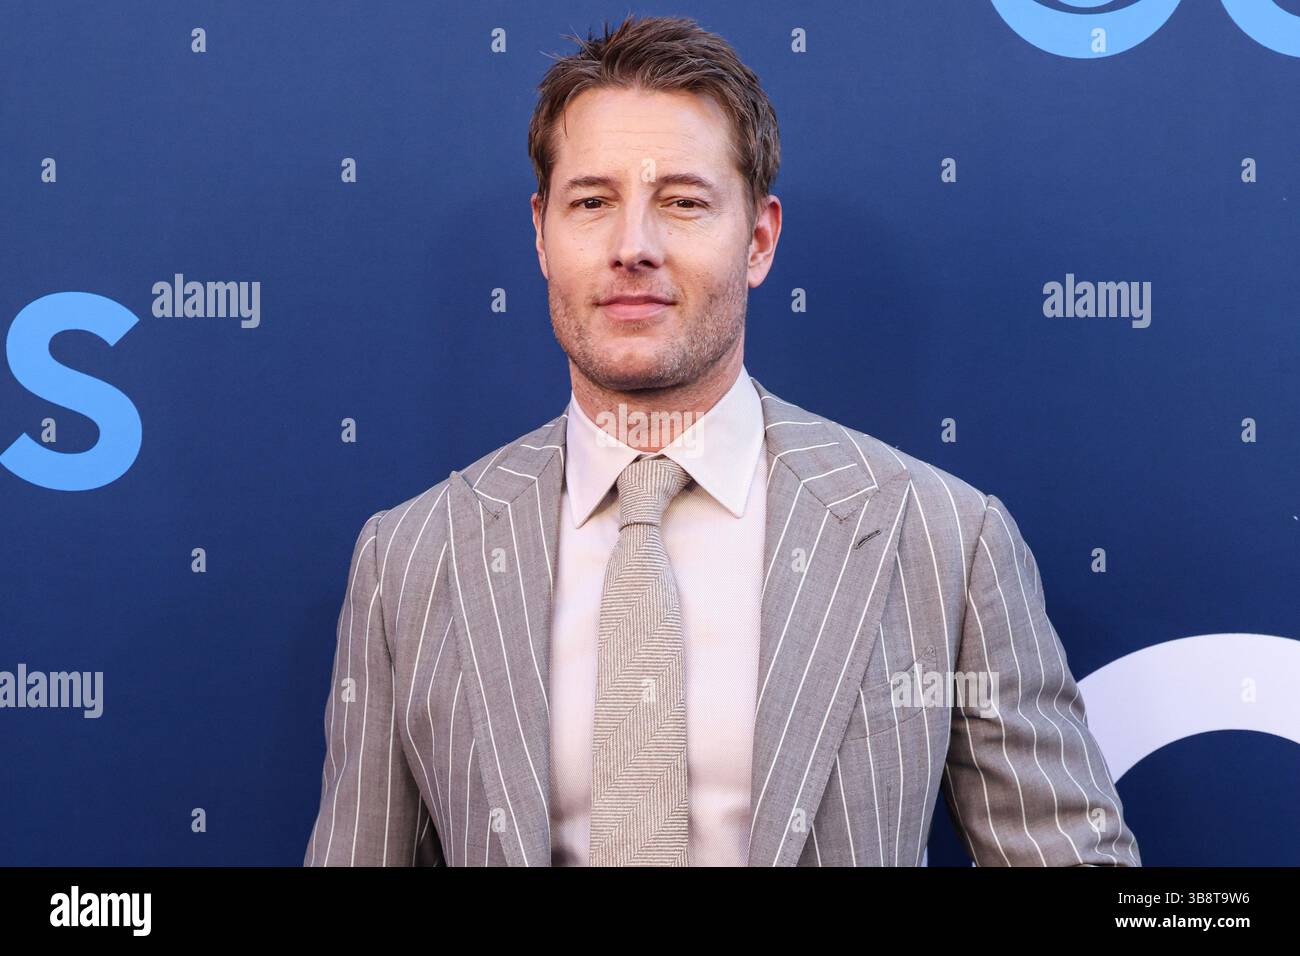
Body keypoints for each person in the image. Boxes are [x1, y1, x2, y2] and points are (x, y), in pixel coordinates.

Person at [303, 13, 1141, 867]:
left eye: (683, 203)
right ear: (542, 236)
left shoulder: (942, 540)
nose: (634, 247)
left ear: (760, 239)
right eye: (592, 203)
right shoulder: (410, 560)